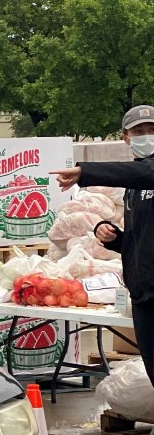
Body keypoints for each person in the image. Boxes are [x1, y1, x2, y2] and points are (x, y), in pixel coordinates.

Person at [54, 105, 154, 392]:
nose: (146, 136)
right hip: (144, 295)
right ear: (126, 137)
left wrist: (85, 172)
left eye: (152, 130)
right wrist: (114, 238)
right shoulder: (133, 187)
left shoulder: (144, 174)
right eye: (139, 131)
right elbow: (141, 241)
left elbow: (143, 172)